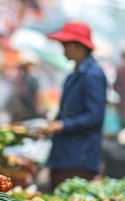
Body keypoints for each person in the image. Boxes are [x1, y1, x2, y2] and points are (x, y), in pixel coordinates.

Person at [39, 21, 108, 189]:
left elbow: (95, 117)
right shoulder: (75, 74)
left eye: (65, 45)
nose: (63, 49)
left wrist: (60, 126)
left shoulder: (92, 74)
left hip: (79, 158)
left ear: (79, 47)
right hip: (65, 155)